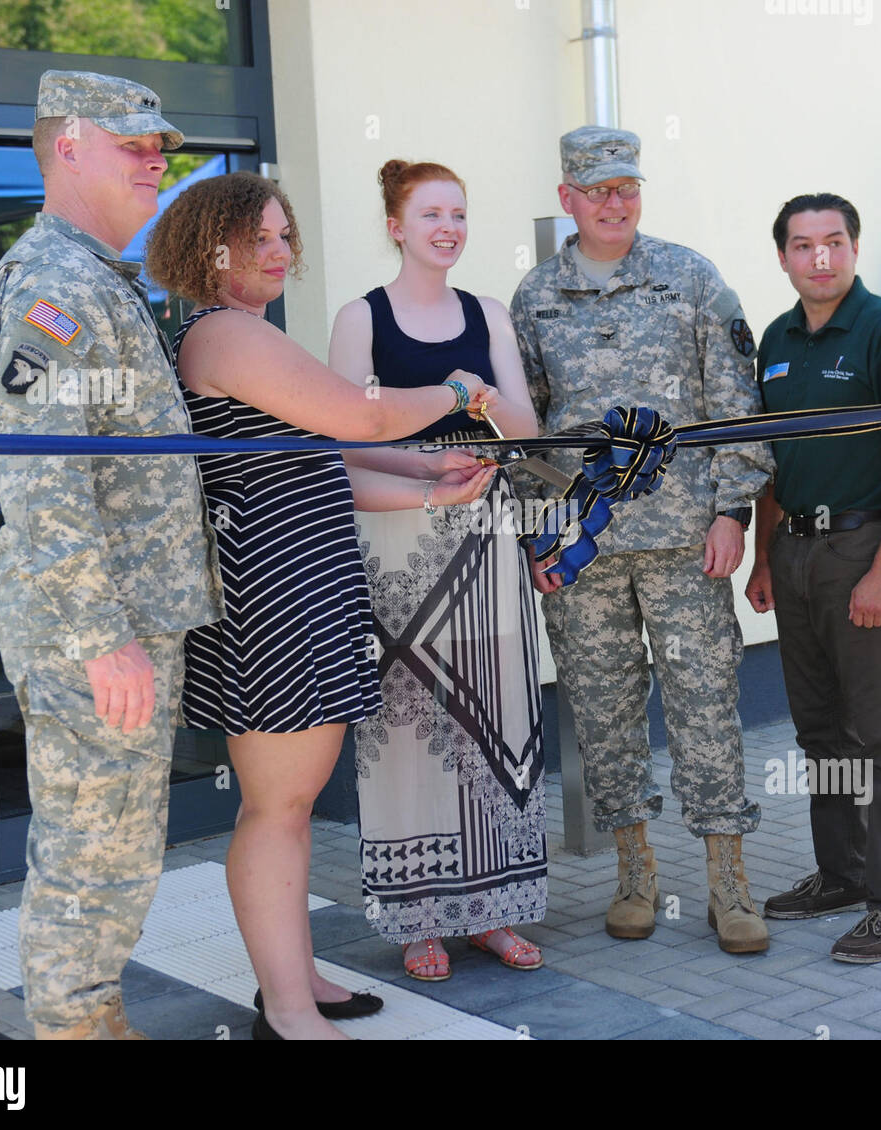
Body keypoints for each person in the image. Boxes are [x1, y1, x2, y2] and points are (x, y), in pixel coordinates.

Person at [145, 170, 496, 1039]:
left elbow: (323, 467)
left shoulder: (251, 339)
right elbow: (359, 416)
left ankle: (296, 980)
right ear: (207, 250)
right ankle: (291, 1011)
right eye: (256, 236)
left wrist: (427, 480)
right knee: (277, 807)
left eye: (283, 234)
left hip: (305, 587)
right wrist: (458, 395)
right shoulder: (224, 334)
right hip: (273, 600)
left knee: (289, 806)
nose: (277, 250)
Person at [0, 70, 223, 1038]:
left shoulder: (98, 280)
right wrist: (101, 634)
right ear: (67, 143)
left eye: (161, 147)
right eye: (133, 145)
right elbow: (42, 480)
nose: (156, 161)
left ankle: (90, 1021)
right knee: (89, 860)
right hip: (97, 632)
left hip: (126, 621)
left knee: (113, 855)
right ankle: (74, 1029)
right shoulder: (52, 289)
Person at [509, 127, 774, 955]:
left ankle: (730, 885)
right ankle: (634, 875)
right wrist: (536, 536)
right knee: (603, 712)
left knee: (705, 708)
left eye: (626, 186)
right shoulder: (534, 298)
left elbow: (738, 401)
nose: (613, 202)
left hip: (685, 538)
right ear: (567, 200)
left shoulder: (690, 277)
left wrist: (735, 511)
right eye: (596, 190)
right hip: (584, 551)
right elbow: (526, 432)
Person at [327, 160, 547, 981]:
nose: (447, 226)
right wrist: (427, 473)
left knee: (492, 708)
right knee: (409, 719)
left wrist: (480, 398)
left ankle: (492, 911)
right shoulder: (361, 317)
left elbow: (523, 431)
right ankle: (419, 918)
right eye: (429, 214)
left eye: (457, 212)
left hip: (485, 531)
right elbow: (342, 436)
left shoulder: (488, 312)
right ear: (396, 226)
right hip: (395, 532)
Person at [745, 193, 881, 964]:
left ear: (854, 248)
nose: (819, 258)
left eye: (834, 242)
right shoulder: (777, 338)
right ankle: (843, 873)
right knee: (822, 731)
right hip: (795, 554)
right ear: (785, 257)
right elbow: (769, 458)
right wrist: (765, 555)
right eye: (803, 245)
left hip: (863, 552)